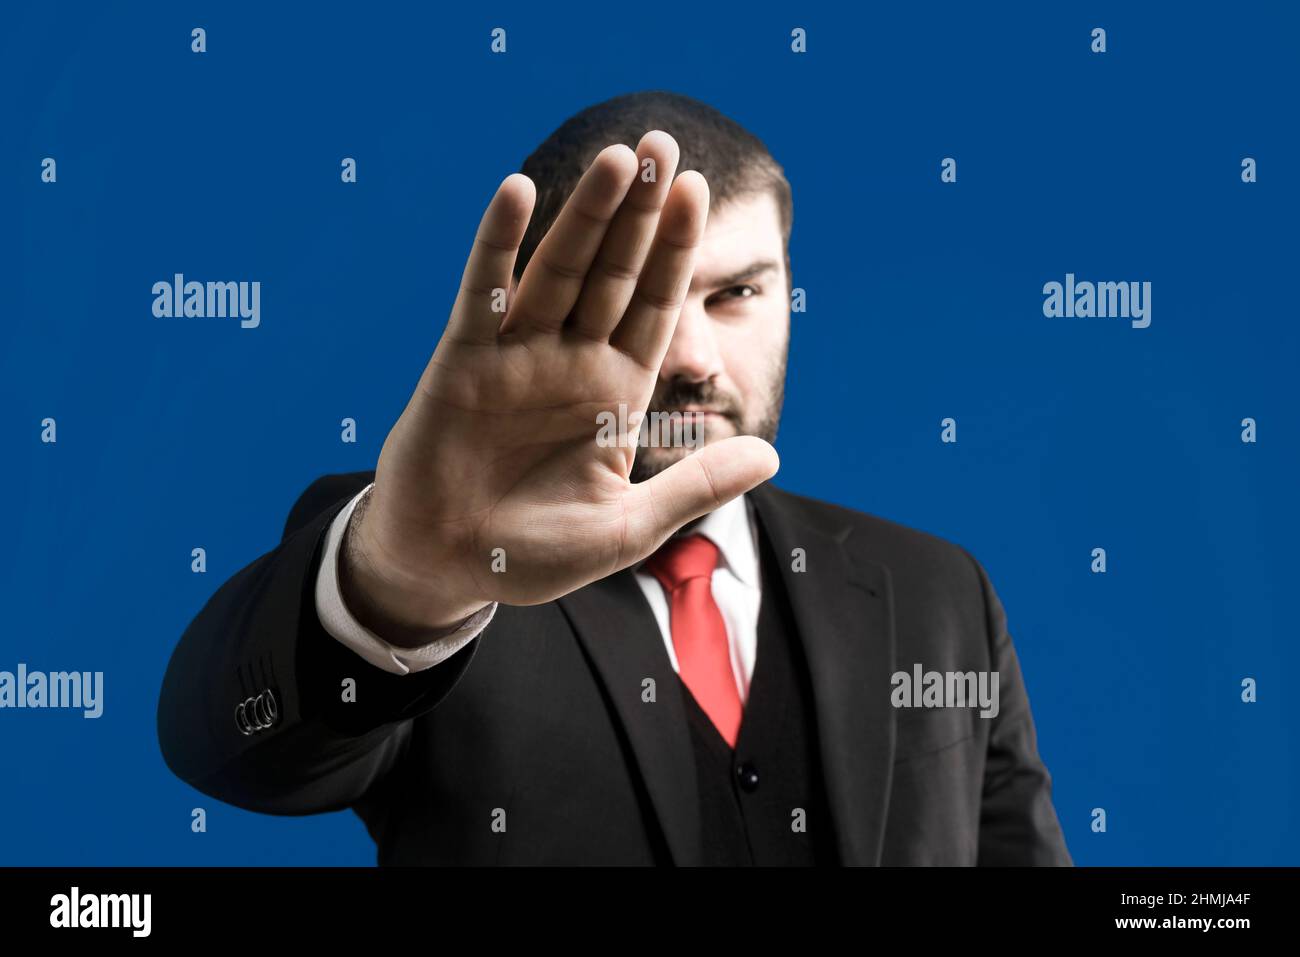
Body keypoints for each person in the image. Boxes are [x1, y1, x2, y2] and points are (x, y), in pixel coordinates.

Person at [157, 91, 1071, 866]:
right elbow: (228, 750)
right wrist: (401, 578)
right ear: (540, 294)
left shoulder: (939, 590)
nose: (693, 357)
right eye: (648, 298)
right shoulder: (435, 560)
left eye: (737, 293)